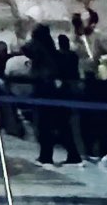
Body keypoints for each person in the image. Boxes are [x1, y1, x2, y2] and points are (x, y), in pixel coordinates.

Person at [26, 25, 80, 166]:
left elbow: (26, 49)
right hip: (56, 92)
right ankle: (72, 154)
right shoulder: (51, 51)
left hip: (46, 91)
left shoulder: (40, 49)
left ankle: (46, 156)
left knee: (45, 125)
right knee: (62, 125)